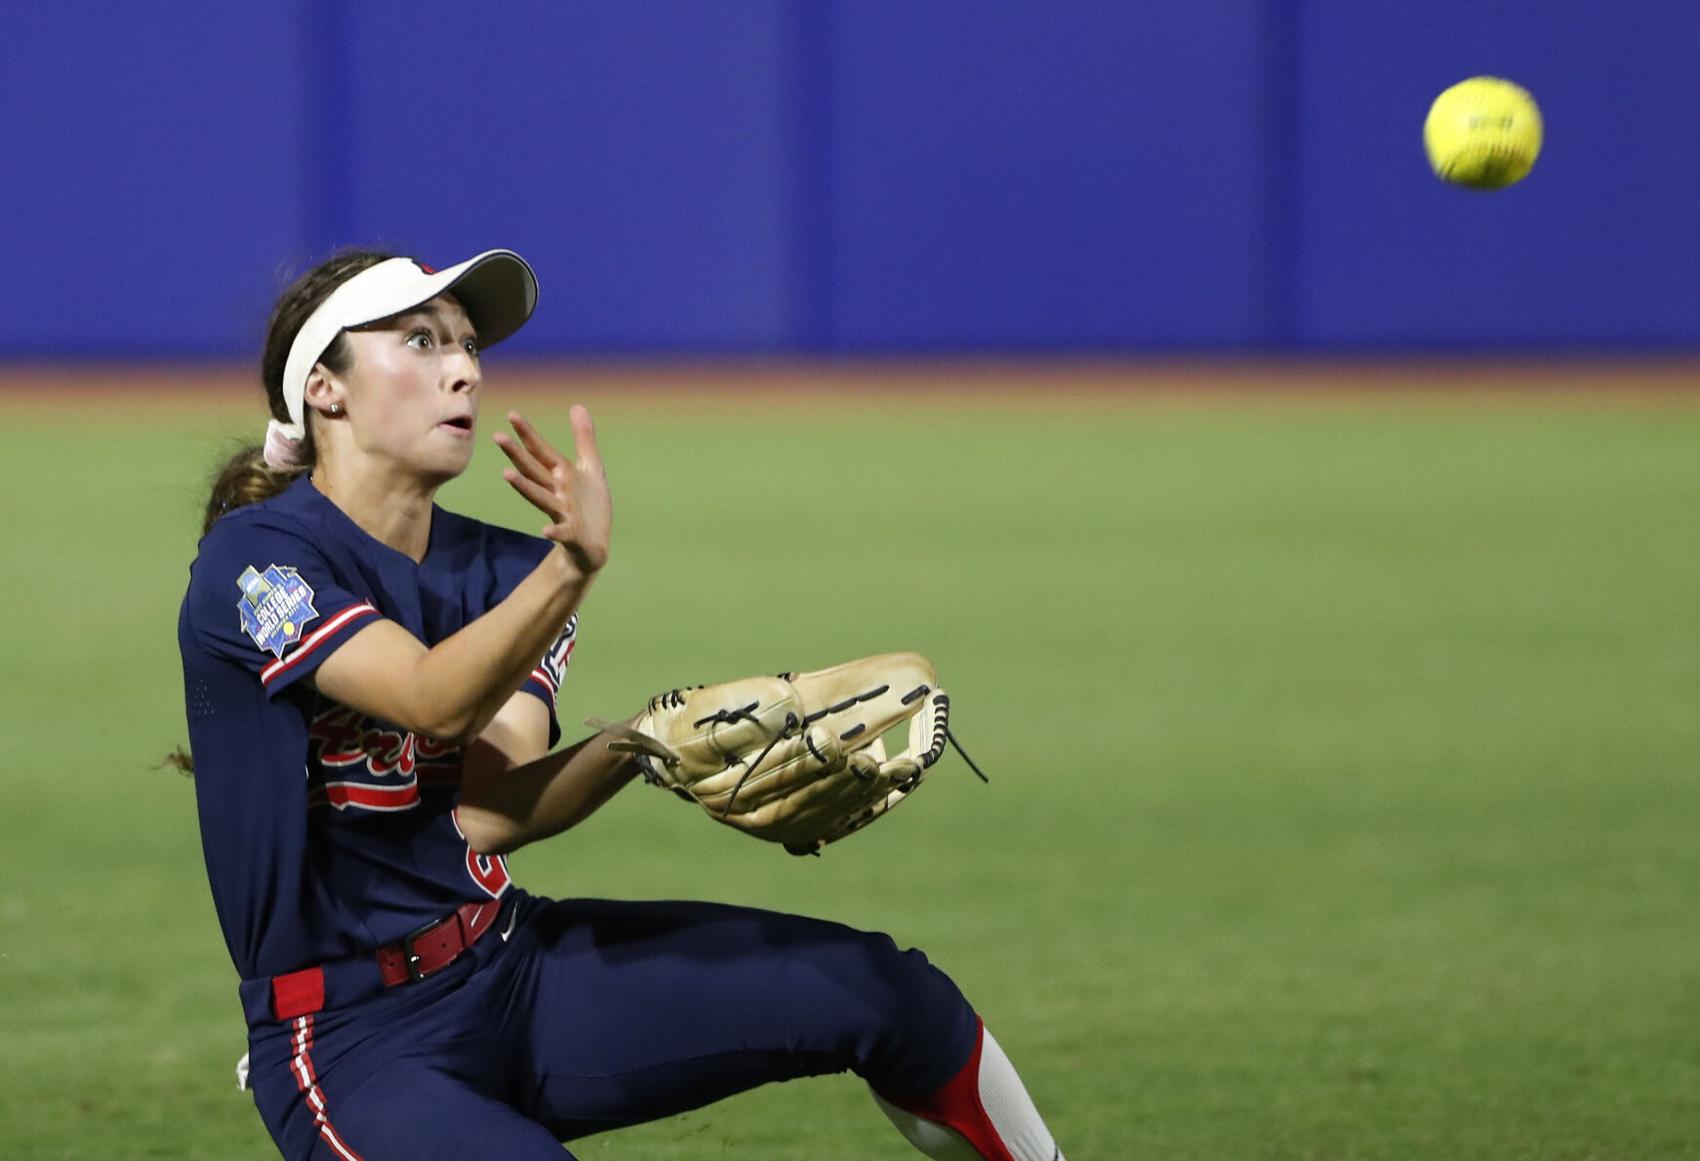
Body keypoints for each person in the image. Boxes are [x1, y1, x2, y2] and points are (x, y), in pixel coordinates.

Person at [176, 247, 1067, 1161]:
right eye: (420, 339)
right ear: (326, 389)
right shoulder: (255, 563)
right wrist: (573, 567)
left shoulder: (508, 569)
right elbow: (428, 700)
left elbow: (491, 808)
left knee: (889, 994)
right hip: (351, 1046)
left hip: (511, 966)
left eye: (468, 344)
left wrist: (641, 743)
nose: (464, 368)